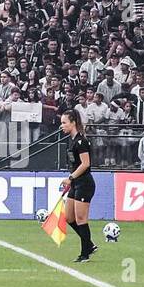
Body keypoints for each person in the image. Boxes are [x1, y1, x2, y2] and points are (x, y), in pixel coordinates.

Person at [59, 110, 97, 262]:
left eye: (64, 123)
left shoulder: (81, 141)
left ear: (73, 123)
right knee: (69, 217)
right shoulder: (72, 140)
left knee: (81, 219)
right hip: (76, 183)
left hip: (84, 183)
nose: (62, 126)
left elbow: (85, 164)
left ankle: (85, 254)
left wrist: (71, 177)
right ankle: (89, 244)